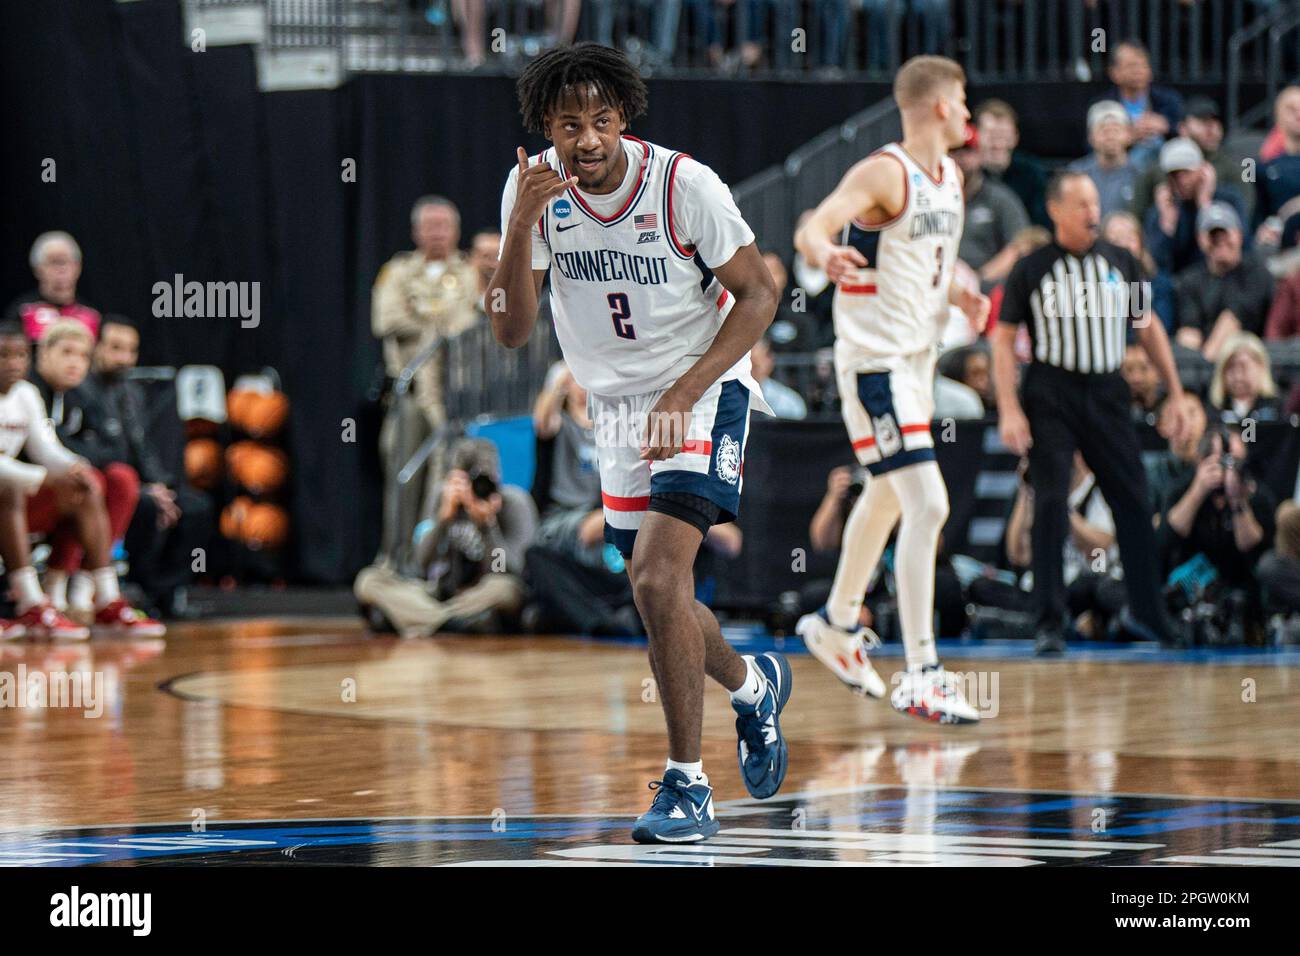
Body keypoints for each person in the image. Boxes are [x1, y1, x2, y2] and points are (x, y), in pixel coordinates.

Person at [487, 43, 789, 844]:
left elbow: (762, 293)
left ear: (625, 117)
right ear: (545, 126)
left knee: (658, 577)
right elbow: (512, 330)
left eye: (601, 120)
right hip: (616, 410)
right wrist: (518, 227)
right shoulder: (533, 191)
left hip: (702, 387)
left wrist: (687, 391)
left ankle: (689, 786)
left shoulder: (685, 185)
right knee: (663, 600)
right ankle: (754, 685)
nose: (586, 138)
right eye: (568, 123)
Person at [793, 54, 988, 722]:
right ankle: (923, 670)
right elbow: (813, 224)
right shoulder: (886, 170)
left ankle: (837, 625)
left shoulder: (951, 178)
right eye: (963, 101)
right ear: (939, 105)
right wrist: (824, 253)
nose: (969, 113)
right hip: (875, 367)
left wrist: (960, 289)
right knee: (926, 504)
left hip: (919, 365)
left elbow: (929, 257)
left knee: (885, 497)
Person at [992, 171, 1190, 654]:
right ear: (1056, 210)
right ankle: (1049, 620)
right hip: (1050, 391)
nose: (1092, 211)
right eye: (1081, 203)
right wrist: (1009, 408)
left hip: (1106, 390)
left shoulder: (1123, 261)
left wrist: (1178, 391)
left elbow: (1148, 328)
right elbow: (1001, 339)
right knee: (1052, 500)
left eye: (1095, 202)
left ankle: (1148, 609)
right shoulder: (1032, 266)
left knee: (1134, 500)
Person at [0, 321, 163, 640]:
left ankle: (103, 597)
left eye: (19, 355)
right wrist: (44, 477)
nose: (14, 363)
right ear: (46, 354)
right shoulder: (41, 389)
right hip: (11, 495)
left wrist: (74, 468)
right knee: (11, 490)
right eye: (4, 355)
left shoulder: (27, 393)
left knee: (89, 485)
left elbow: (47, 448)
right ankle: (31, 600)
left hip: (18, 498)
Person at [93, 315, 213, 618]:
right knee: (145, 507)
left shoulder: (132, 393)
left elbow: (143, 448)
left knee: (195, 507)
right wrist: (146, 490)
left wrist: (162, 486)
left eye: (130, 350)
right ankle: (136, 586)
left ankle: (162, 594)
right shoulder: (83, 390)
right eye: (115, 348)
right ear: (97, 347)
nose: (124, 358)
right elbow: (98, 452)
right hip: (109, 484)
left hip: (140, 484)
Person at [29, 321, 142, 623]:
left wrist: (79, 458)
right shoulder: (28, 390)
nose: (75, 363)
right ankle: (59, 588)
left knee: (120, 478)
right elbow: (41, 447)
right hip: (18, 491)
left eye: (83, 356)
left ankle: (85, 583)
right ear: (42, 354)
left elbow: (116, 448)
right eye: (67, 353)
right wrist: (80, 459)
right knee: (84, 483)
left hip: (51, 488)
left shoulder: (81, 393)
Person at [1160, 426, 1275, 636]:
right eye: (1224, 462)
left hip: (1241, 591)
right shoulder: (1181, 490)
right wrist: (1198, 490)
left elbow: (1254, 548)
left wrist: (1237, 502)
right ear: (1201, 462)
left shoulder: (1257, 496)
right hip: (1189, 586)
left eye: (1237, 462)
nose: (1231, 470)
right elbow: (1166, 539)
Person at [1130, 96, 1252, 228]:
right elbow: (1134, 216)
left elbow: (1247, 210)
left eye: (1215, 121)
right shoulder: (1159, 167)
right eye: (1203, 121)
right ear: (1182, 128)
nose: (1211, 127)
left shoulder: (1241, 164)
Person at [1174, 203, 1275, 359]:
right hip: (1202, 359)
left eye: (1225, 234)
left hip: (1250, 358)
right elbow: (1189, 331)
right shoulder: (1190, 280)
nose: (1220, 241)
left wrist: (1206, 369)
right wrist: (1189, 370)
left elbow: (1233, 319)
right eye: (1213, 236)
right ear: (1200, 239)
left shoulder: (1255, 272)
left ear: (1239, 235)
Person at [1146, 137, 1250, 276]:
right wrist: (1168, 225)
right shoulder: (1163, 210)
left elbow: (1244, 246)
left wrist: (1205, 206)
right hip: (1182, 285)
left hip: (1226, 278)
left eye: (1187, 173)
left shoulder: (1228, 199)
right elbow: (1158, 263)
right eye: (1175, 175)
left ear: (1203, 170)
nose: (1182, 180)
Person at [952, 123, 1031, 286]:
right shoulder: (932, 197)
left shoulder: (1001, 198)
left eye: (968, 151)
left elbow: (1020, 244)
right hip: (939, 283)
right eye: (954, 151)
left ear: (980, 154)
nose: (961, 158)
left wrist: (977, 278)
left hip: (986, 284)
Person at [4, 232, 102, 344]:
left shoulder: (91, 315)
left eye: (65, 262)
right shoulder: (22, 311)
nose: (61, 269)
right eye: (54, 262)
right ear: (37, 269)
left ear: (78, 267)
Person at [1101, 40, 1184, 170]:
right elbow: (1091, 145)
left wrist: (1166, 126)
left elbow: (1183, 131)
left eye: (1143, 65)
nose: (1138, 71)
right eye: (1131, 66)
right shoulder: (1104, 105)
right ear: (1114, 73)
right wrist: (1128, 136)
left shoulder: (1168, 100)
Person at [974, 99, 1049, 228]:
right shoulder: (965, 173)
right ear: (976, 136)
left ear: (1015, 138)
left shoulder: (1032, 174)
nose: (997, 144)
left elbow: (1041, 225)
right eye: (991, 135)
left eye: (1003, 135)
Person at [1069, 101, 1139, 220]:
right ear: (1090, 137)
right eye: (1103, 130)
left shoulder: (1141, 173)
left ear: (1129, 135)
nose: (1110, 136)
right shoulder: (1076, 174)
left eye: (1116, 130)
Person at [1208, 332, 1282, 424]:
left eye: (1244, 367)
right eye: (1230, 367)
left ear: (1261, 367)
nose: (1237, 375)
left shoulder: (1279, 408)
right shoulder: (1212, 413)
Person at [1256, 87, 1300, 233]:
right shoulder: (1262, 164)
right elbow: (1257, 214)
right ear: (1278, 114)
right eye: (1291, 109)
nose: (1298, 115)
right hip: (1279, 239)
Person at [750, 336, 807, 419]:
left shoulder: (789, 403)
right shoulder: (729, 397)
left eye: (755, 366)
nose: (749, 371)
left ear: (769, 360)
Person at [1120, 343, 1164, 425]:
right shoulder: (1110, 414)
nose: (1136, 378)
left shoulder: (1169, 412)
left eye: (1144, 368)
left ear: (1159, 372)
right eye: (1128, 369)